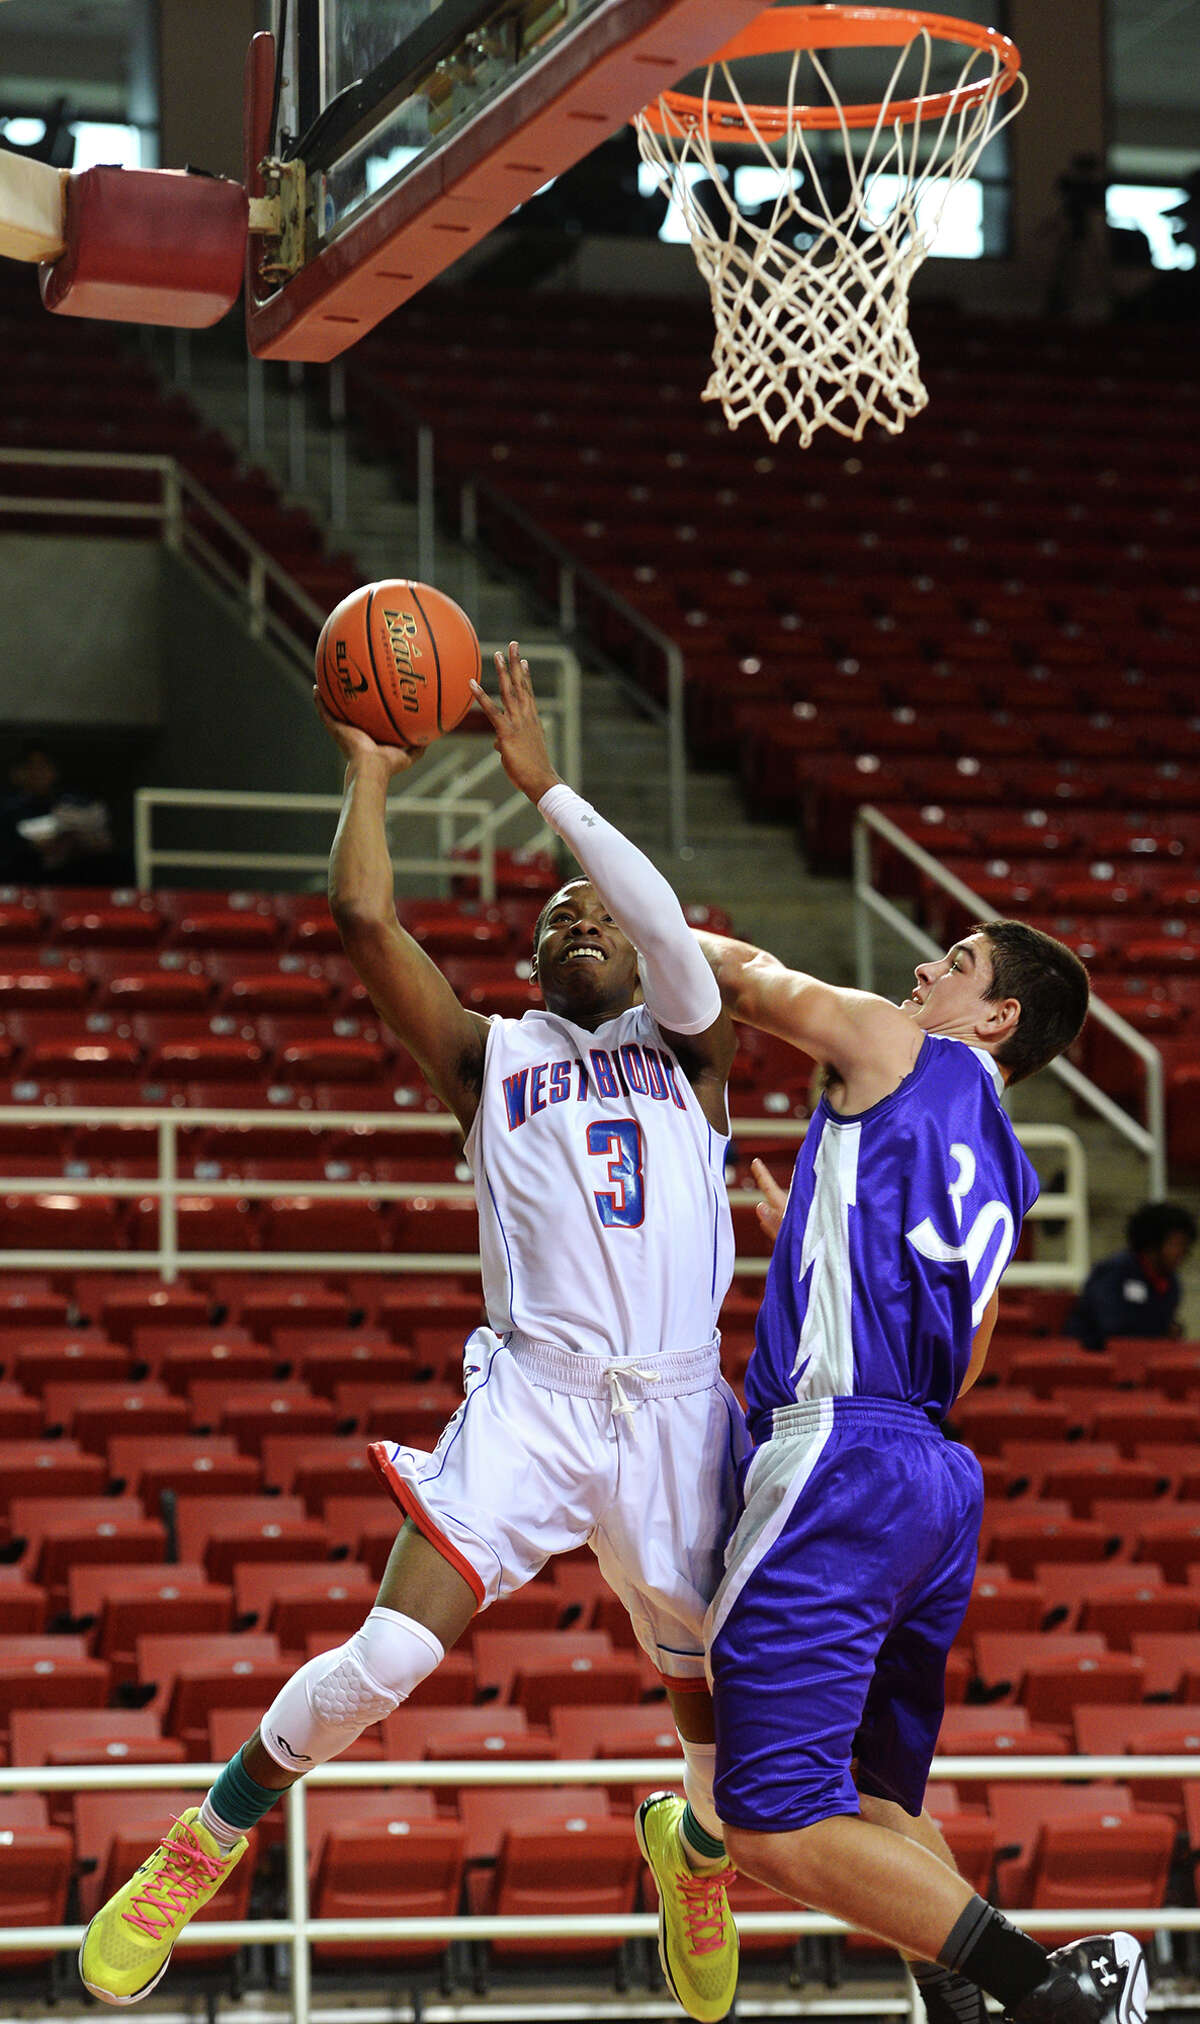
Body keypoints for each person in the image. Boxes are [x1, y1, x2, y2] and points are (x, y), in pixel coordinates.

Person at [79, 643, 747, 2022]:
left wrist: (548, 792)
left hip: (679, 1407)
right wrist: (367, 775)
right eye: (558, 915)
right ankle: (209, 1833)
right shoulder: (489, 1054)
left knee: (722, 1704)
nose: (583, 921)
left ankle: (695, 1852)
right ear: (531, 956)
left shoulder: (692, 1050)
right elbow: (364, 921)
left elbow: (669, 930)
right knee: (388, 1656)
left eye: (600, 914)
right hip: (539, 1400)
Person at [693, 921, 1147, 2024]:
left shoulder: (902, 1049)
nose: (924, 972)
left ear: (997, 1016)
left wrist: (611, 895)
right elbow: (968, 1359)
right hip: (934, 1476)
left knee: (772, 1821)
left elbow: (745, 977)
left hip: (844, 1461)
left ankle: (1059, 1995)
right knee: (874, 1800)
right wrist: (817, 1236)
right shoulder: (1006, 1158)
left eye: (956, 964)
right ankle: (964, 2006)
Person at [1068, 1200, 1196, 1352]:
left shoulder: (1172, 1284)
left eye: (1185, 1246)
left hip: (1138, 1357)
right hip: (1090, 1356)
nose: (1182, 1252)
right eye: (1176, 1244)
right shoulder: (1114, 1272)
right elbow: (1111, 1326)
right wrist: (1160, 1330)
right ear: (1153, 1244)